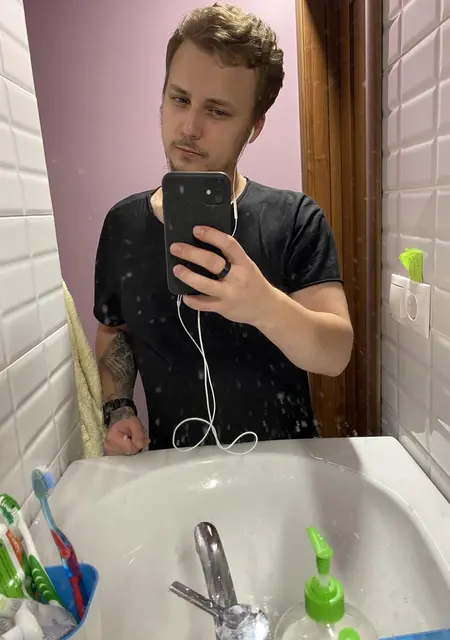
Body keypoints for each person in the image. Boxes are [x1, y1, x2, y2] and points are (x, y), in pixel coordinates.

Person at [94, 3, 354, 456]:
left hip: (283, 468)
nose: (189, 127)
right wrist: (117, 408)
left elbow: (335, 353)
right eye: (179, 99)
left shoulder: (295, 218)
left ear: (254, 127)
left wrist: (263, 304)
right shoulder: (123, 225)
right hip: (174, 467)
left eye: (217, 111)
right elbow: (115, 331)